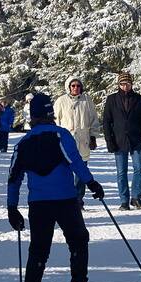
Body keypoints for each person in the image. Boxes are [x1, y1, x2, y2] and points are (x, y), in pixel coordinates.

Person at [6, 93, 105, 282]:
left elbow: (14, 178)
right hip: (65, 200)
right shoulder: (61, 135)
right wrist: (91, 183)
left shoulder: (23, 144)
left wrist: (12, 208)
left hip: (39, 203)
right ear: (51, 114)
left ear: (32, 117)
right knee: (78, 240)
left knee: (39, 249)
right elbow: (75, 161)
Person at [101, 72, 141, 210]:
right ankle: (124, 200)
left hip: (136, 139)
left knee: (138, 169)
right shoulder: (112, 99)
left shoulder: (139, 99)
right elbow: (106, 121)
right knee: (121, 172)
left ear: (132, 84)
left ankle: (136, 198)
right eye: (123, 84)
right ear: (119, 85)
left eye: (128, 84)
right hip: (119, 141)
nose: (125, 86)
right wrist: (109, 141)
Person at [54, 77, 99, 208]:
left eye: (78, 86)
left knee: (81, 171)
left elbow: (93, 120)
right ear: (68, 87)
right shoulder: (61, 101)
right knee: (65, 171)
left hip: (83, 141)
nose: (75, 88)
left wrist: (93, 137)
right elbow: (55, 121)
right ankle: (66, 198)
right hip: (66, 141)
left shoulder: (87, 100)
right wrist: (56, 138)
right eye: (73, 85)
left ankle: (78, 199)